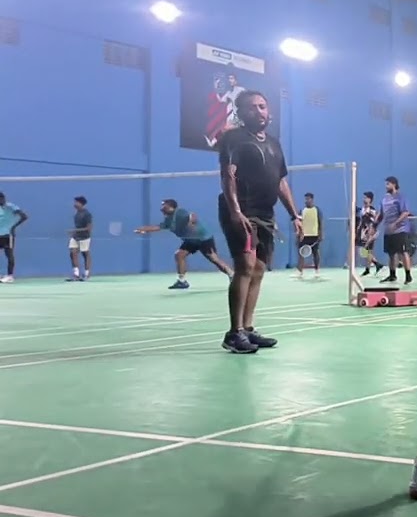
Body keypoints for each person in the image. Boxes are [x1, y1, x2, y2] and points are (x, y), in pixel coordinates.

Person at [217, 90, 302, 354]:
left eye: (262, 106)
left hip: (266, 214)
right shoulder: (233, 138)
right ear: (241, 113)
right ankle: (234, 333)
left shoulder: (274, 143)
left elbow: (281, 182)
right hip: (243, 211)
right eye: (252, 107)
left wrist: (294, 214)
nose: (259, 111)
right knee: (245, 266)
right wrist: (235, 211)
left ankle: (248, 328)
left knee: (259, 270)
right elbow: (228, 175)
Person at [135, 198, 233, 288]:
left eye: (164, 206)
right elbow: (158, 227)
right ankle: (182, 281)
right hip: (190, 241)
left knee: (214, 259)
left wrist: (191, 222)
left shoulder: (180, 212)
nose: (162, 209)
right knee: (179, 255)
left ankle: (232, 275)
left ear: (172, 207)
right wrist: (143, 229)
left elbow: (192, 215)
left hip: (203, 239)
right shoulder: (169, 220)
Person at [379, 176, 413, 285]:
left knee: (403, 252)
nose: (386, 186)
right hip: (388, 231)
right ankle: (392, 275)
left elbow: (405, 212)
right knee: (391, 254)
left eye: (388, 184)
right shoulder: (384, 199)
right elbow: (381, 214)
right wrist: (374, 226)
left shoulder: (400, 197)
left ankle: (408, 276)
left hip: (400, 230)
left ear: (394, 184)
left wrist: (395, 223)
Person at [0, 193, 28, 283]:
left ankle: (10, 276)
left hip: (8, 235)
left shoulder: (11, 206)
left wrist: (13, 227)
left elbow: (24, 216)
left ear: (3, 198)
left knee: (9, 254)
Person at [295, 192, 323, 278]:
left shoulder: (317, 210)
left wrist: (321, 234)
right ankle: (300, 271)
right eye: (305, 199)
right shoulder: (302, 211)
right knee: (301, 254)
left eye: (308, 199)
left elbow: (320, 222)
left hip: (314, 235)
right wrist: (298, 234)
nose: (306, 201)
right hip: (304, 236)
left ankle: (317, 270)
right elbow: (298, 223)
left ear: (312, 199)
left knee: (316, 253)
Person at [68, 196, 93, 282]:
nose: (74, 204)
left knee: (85, 254)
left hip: (85, 237)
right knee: (72, 252)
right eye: (75, 202)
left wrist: (75, 230)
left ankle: (86, 274)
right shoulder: (76, 214)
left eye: (76, 202)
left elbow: (89, 228)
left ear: (81, 204)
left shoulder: (87, 214)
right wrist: (74, 233)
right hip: (76, 237)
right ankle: (76, 274)